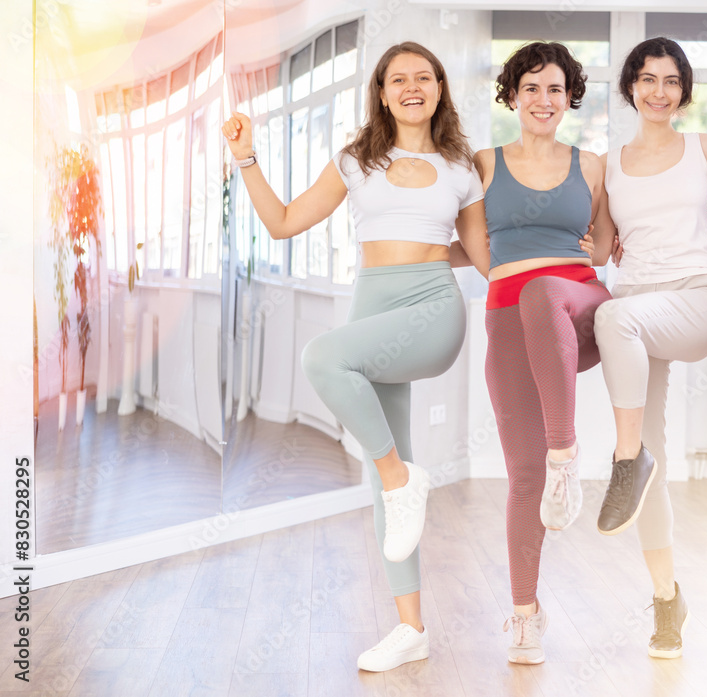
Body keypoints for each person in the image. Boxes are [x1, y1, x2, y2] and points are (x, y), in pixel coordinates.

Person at [222, 41, 491, 672]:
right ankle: (411, 626)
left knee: (324, 361)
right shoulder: (355, 160)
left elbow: (483, 256)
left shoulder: (462, 168)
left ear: (440, 88)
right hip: (371, 305)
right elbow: (284, 222)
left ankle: (403, 479)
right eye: (398, 79)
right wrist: (246, 159)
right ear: (381, 91)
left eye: (424, 76)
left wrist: (572, 254)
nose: (412, 87)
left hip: (432, 309)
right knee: (385, 484)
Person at [593, 37, 707, 659]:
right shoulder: (608, 164)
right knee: (652, 453)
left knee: (615, 316)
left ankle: (624, 462)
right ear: (631, 86)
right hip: (637, 310)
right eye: (648, 79)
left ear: (683, 92)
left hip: (695, 298)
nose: (659, 90)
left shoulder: (704, 150)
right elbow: (601, 250)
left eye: (671, 80)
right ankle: (666, 601)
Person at [474, 41, 615, 664]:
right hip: (510, 315)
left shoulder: (592, 166)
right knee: (523, 478)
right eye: (531, 87)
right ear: (511, 96)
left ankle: (568, 451)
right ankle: (525, 616)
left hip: (577, 306)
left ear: (569, 98)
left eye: (555, 88)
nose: (543, 99)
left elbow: (607, 247)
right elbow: (472, 247)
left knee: (541, 290)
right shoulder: (481, 163)